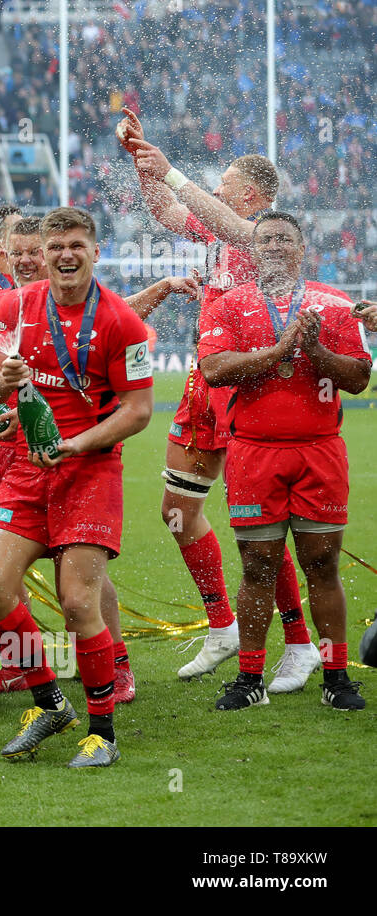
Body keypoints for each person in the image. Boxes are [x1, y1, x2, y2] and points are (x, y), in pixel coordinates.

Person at [121, 107, 320, 690]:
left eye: (225, 184)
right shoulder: (213, 226)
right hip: (202, 379)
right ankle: (222, 627)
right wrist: (142, 161)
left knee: (255, 525)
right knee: (177, 510)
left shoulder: (268, 234)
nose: (214, 190)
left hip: (248, 385)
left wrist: (173, 171)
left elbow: (232, 228)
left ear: (251, 194)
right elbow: (165, 210)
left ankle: (302, 643)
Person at [0, 208, 154, 768]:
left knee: (78, 604)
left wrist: (79, 444)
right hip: (29, 469)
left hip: (90, 472)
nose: (65, 255)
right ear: (43, 253)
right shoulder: (16, 307)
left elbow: (140, 411)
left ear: (95, 251)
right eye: (56, 247)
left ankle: (103, 733)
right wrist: (1, 387)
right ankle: (50, 701)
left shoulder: (123, 323)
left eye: (76, 244)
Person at [197, 213, 370, 711]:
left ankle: (336, 676)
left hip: (319, 450)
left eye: (284, 239)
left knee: (322, 564)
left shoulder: (333, 305)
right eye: (265, 239)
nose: (274, 246)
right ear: (252, 251)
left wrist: (312, 348)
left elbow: (358, 378)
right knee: (258, 566)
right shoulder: (230, 304)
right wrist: (278, 350)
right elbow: (213, 370)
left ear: (301, 248)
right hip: (254, 453)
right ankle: (250, 679)